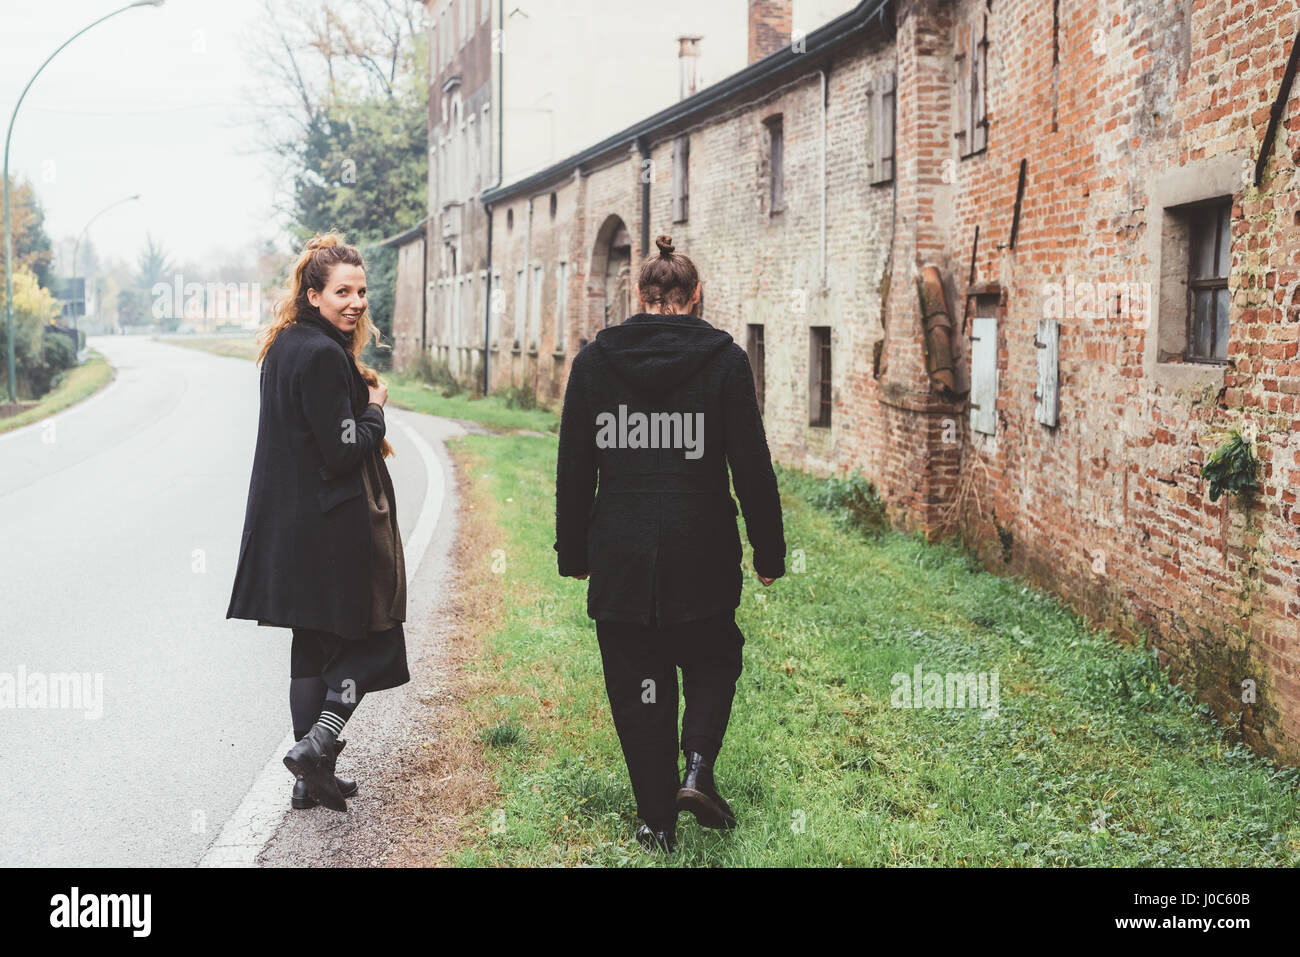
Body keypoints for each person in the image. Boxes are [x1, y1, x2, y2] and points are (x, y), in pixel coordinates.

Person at [554, 234, 786, 852]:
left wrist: (573, 552)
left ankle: (657, 822)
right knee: (712, 656)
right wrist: (769, 552)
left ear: (640, 295)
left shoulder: (594, 363)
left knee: (638, 684)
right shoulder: (726, 361)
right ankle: (698, 768)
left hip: (621, 553)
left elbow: (574, 467)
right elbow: (752, 467)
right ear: (696, 295)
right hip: (701, 547)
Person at [226, 231, 409, 812]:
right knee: (375, 640)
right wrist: (375, 410)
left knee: (310, 647)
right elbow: (343, 448)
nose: (355, 303)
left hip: (288, 524)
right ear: (313, 295)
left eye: (361, 292)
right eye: (342, 293)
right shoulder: (325, 355)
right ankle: (318, 744)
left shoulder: (284, 346)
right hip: (331, 527)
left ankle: (310, 779)